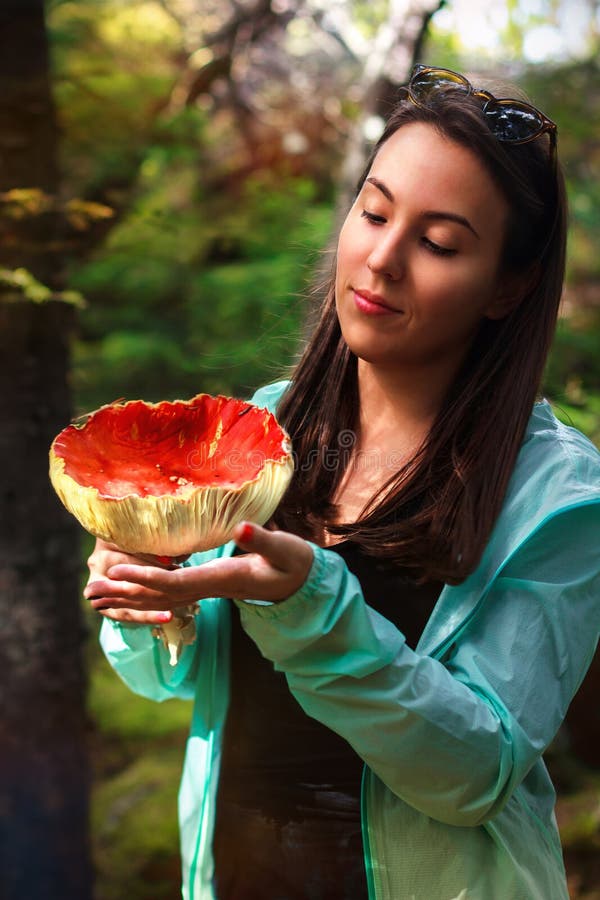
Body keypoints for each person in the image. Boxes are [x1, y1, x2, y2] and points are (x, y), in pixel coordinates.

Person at [85, 65, 600, 900]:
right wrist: (149, 602)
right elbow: (171, 678)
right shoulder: (259, 435)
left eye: (438, 243)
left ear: (509, 285)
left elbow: (476, 775)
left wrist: (313, 611)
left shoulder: (559, 498)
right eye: (374, 211)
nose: (383, 259)